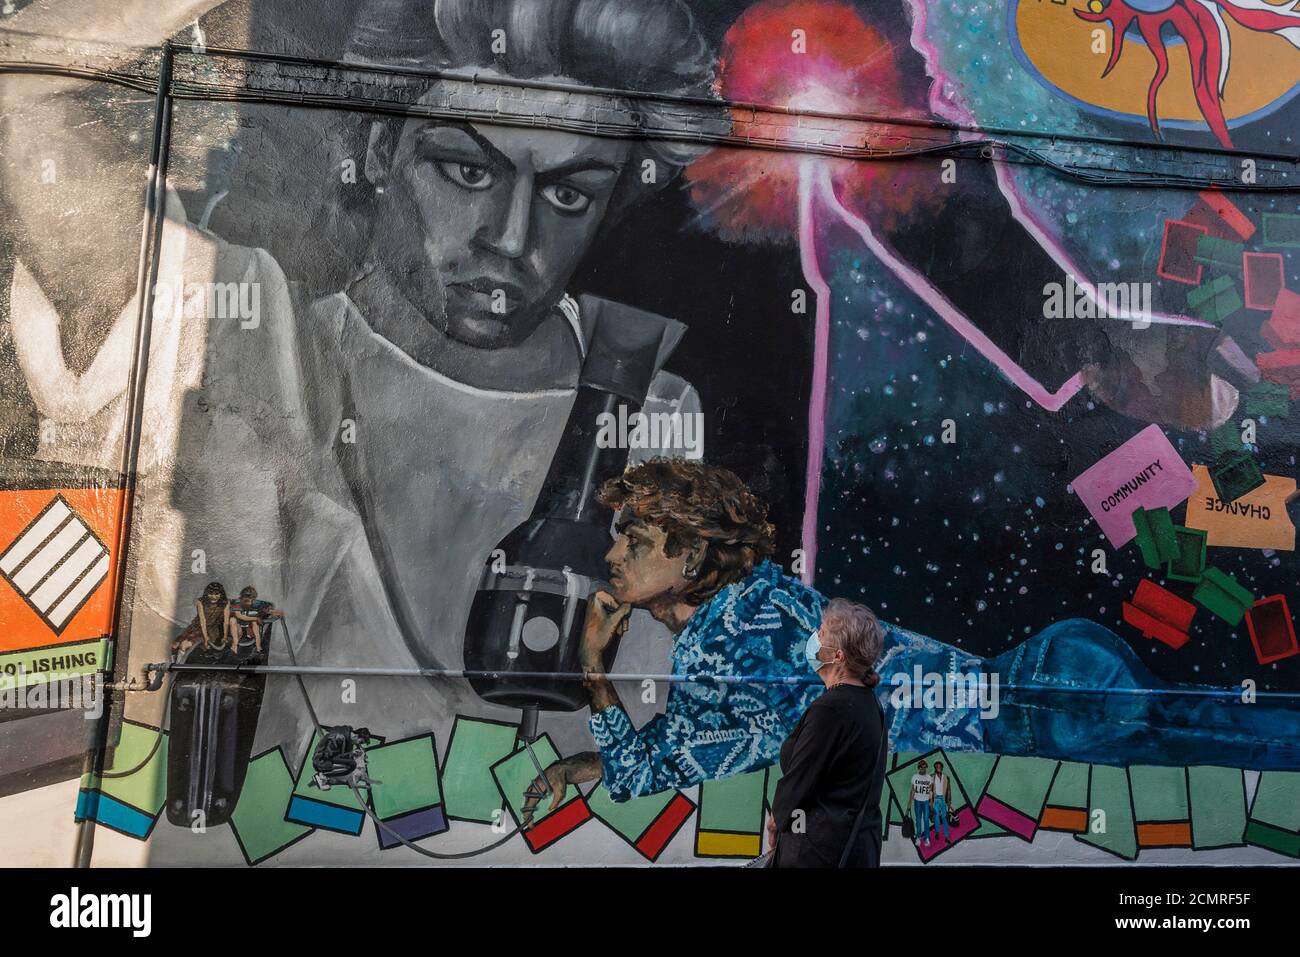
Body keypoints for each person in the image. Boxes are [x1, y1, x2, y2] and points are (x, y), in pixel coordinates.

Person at [522, 458, 825, 821]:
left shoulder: (730, 644)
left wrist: (592, 663)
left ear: (693, 554)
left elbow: (638, 774)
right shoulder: (744, 612)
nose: (612, 555)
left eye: (634, 540)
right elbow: (675, 751)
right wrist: (580, 767)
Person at [767, 598, 888, 868]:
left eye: (821, 634)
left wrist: (776, 820)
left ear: (838, 656)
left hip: (820, 852)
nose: (814, 638)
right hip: (855, 849)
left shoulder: (831, 710)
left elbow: (801, 776)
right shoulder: (869, 703)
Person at [169, 581, 229, 659]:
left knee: (184, 645)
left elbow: (226, 622)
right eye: (211, 594)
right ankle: (174, 664)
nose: (213, 597)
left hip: (211, 629)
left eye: (216, 594)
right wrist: (205, 637)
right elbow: (202, 621)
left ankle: (179, 666)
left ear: (221, 594)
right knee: (174, 645)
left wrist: (224, 637)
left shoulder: (225, 603)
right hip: (196, 627)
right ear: (206, 593)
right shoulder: (200, 602)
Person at [909, 757, 933, 848]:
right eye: (922, 767)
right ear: (919, 767)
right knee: (918, 820)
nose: (923, 769)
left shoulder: (929, 778)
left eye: (925, 767)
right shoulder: (915, 777)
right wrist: (909, 803)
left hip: (926, 801)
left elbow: (930, 791)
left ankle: (926, 838)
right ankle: (918, 837)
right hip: (917, 801)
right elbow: (912, 791)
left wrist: (931, 802)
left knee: (926, 820)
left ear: (926, 767)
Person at [931, 760, 951, 845]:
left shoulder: (946, 777)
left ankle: (946, 836)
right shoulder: (931, 777)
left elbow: (949, 790)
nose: (938, 768)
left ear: (942, 768)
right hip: (935, 799)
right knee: (936, 816)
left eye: (940, 766)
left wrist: (949, 802)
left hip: (943, 799)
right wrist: (930, 802)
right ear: (935, 768)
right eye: (937, 766)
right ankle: (937, 832)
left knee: (944, 817)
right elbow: (930, 790)